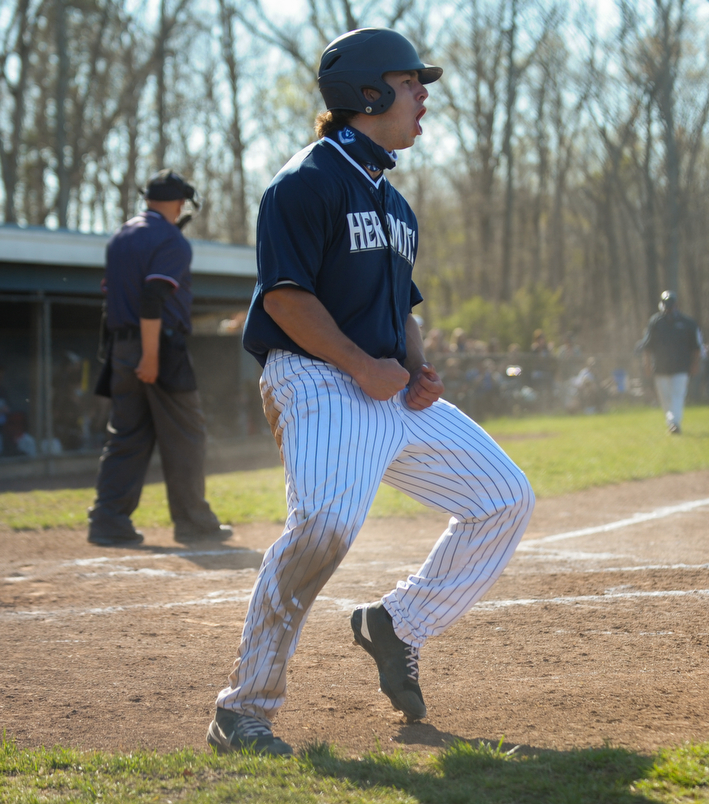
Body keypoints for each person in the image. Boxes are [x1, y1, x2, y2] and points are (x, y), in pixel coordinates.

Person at [206, 28, 535, 756]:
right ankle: (242, 711)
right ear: (366, 93)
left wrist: (417, 366)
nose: (422, 96)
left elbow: (401, 309)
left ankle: (396, 624)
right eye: (410, 82)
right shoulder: (305, 182)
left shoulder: (396, 203)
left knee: (504, 496)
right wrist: (361, 365)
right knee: (324, 524)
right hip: (317, 375)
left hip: (385, 384)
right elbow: (285, 298)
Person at [87, 170, 231, 547]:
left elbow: (111, 300)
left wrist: (119, 355)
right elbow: (152, 298)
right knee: (186, 434)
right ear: (178, 202)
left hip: (121, 347)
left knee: (127, 436)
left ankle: (107, 520)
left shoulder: (121, 235)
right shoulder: (171, 239)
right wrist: (150, 356)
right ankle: (193, 522)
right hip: (159, 348)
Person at [636, 290, 702, 434]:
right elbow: (647, 346)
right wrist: (647, 364)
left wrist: (695, 364)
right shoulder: (656, 322)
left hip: (681, 367)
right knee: (665, 398)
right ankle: (672, 421)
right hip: (661, 368)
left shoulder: (687, 323)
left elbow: (696, 347)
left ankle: (674, 423)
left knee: (677, 395)